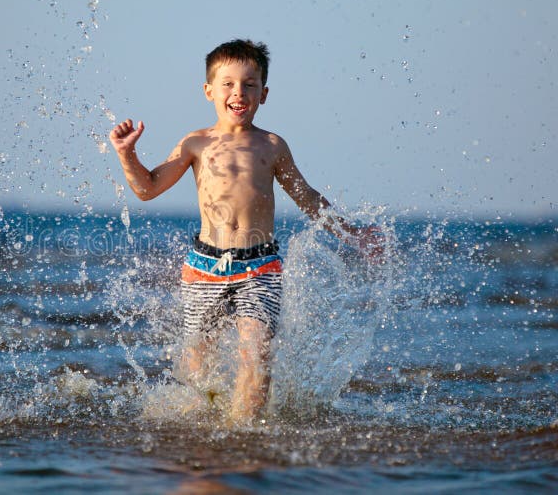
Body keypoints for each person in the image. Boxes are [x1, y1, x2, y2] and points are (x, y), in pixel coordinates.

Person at [109, 39, 383, 423]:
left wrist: (352, 234)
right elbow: (147, 188)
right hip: (205, 266)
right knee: (194, 366)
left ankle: (244, 435)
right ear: (209, 91)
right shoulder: (195, 144)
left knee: (256, 353)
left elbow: (307, 197)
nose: (239, 92)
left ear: (264, 94)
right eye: (228, 84)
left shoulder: (272, 145)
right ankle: (204, 423)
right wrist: (127, 154)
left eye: (250, 84)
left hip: (260, 268)